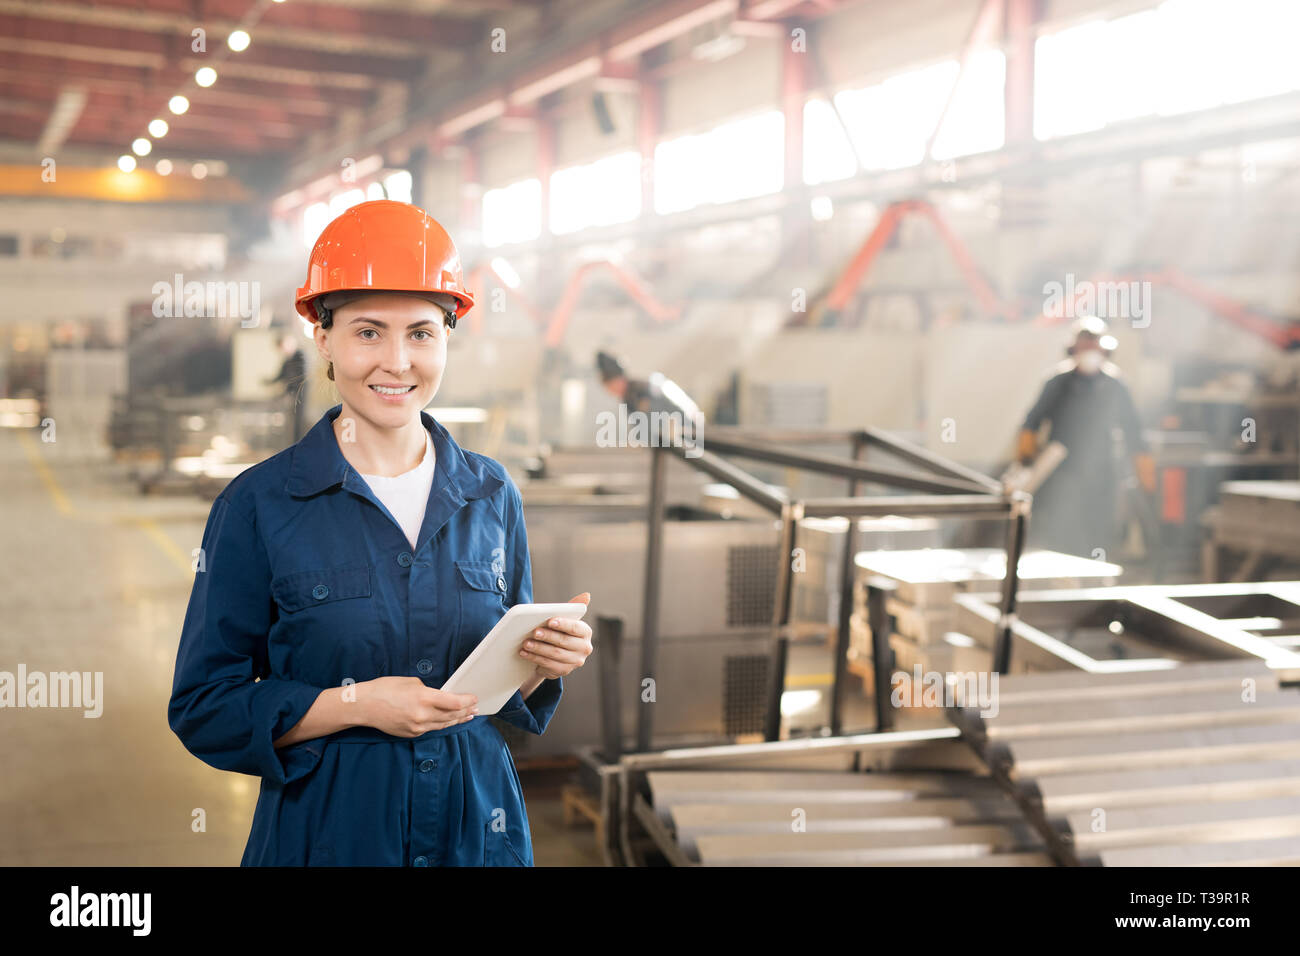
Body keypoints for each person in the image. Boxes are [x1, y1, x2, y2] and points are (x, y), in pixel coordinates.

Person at [168, 199, 594, 867]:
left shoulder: (490, 494)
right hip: (331, 835)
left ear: (448, 339)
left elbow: (501, 692)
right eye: (368, 332)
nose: (396, 362)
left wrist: (542, 663)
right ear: (324, 337)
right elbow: (205, 707)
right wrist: (355, 704)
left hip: (477, 832)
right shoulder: (259, 505)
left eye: (421, 333)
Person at [1016, 316, 1155, 557]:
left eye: (1094, 346)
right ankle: (1062, 582)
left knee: (1099, 529)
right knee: (1062, 530)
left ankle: (1097, 578)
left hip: (1102, 471)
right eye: (1084, 346)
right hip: (1062, 472)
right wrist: (1028, 460)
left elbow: (1133, 431)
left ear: (1104, 350)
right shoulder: (1058, 382)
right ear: (1073, 348)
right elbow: (1032, 422)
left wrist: (1144, 473)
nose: (1089, 351)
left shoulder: (1115, 384)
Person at [264, 331, 308, 442]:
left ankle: (299, 443)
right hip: (290, 393)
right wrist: (268, 382)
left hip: (300, 395)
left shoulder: (300, 356)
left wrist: (289, 392)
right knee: (291, 420)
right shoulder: (287, 359)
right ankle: (293, 443)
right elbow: (280, 376)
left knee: (299, 420)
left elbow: (300, 378)